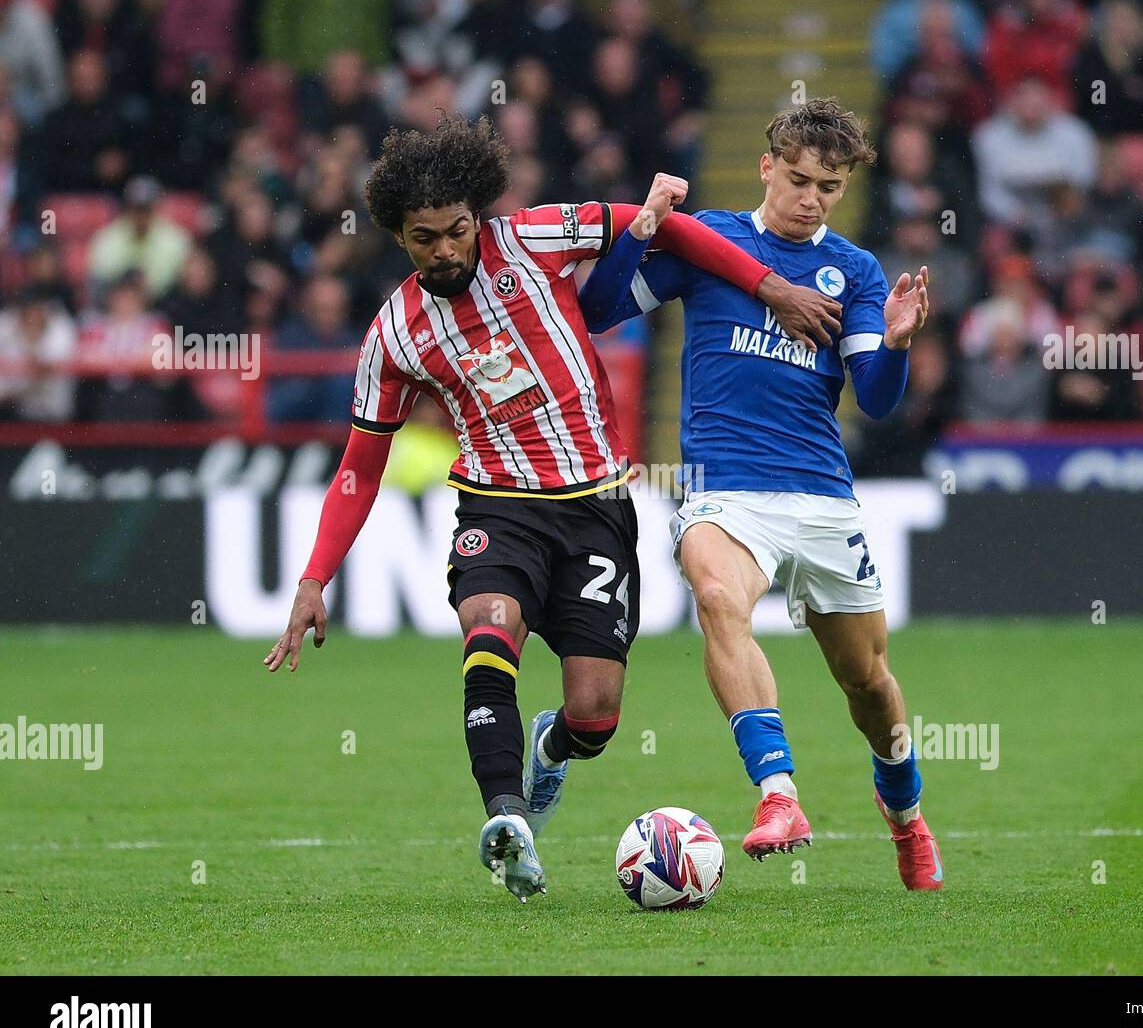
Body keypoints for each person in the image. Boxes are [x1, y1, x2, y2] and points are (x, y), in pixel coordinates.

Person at [262, 116, 840, 903]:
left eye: (458, 230)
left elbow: (676, 234)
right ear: (400, 237)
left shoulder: (536, 238)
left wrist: (768, 286)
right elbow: (361, 467)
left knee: (596, 715)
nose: (445, 250)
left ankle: (554, 745)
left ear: (480, 217)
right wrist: (312, 576)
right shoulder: (394, 332)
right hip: (497, 507)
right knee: (490, 624)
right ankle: (508, 820)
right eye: (424, 237)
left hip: (598, 504)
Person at [579, 98, 944, 889]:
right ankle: (778, 794)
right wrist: (641, 227)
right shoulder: (708, 240)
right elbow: (597, 311)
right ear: (766, 166)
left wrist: (900, 344)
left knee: (868, 684)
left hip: (819, 495)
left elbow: (875, 398)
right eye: (802, 178)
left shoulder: (853, 270)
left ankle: (906, 815)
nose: (812, 196)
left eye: (831, 186)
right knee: (716, 593)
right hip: (725, 488)